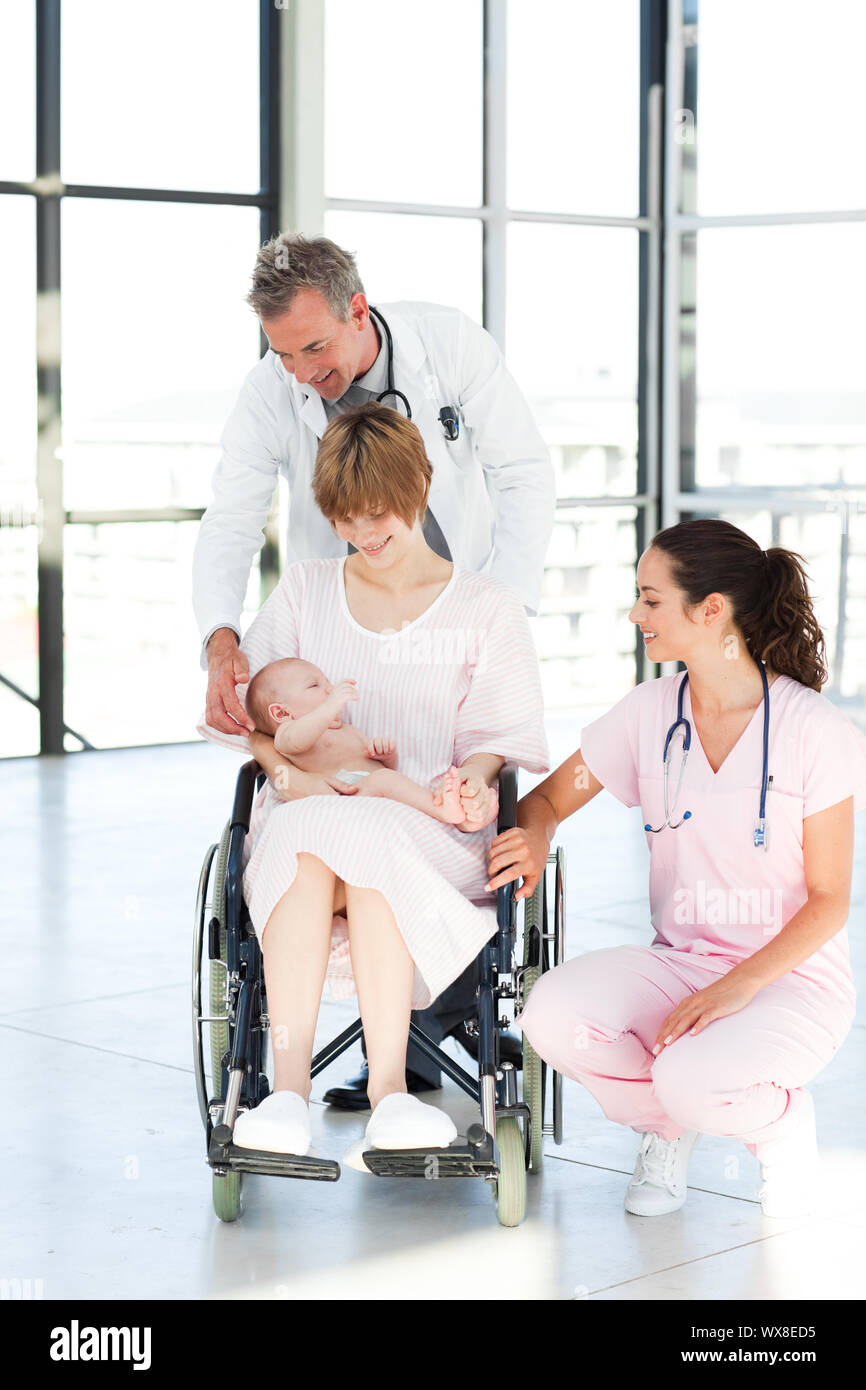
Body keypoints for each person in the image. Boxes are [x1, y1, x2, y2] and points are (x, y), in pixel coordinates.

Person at [193, 232, 554, 1101]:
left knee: (385, 815)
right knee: (329, 832)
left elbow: (524, 476)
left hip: (449, 649)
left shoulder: (447, 347)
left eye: (314, 349)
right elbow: (234, 514)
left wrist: (489, 612)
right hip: (334, 699)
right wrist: (222, 635)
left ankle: (401, 1070)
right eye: (283, 355)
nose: (301, 373)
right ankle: (322, 1088)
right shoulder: (309, 564)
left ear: (358, 311)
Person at [487, 518, 866, 1219]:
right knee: (553, 1016)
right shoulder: (649, 713)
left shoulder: (815, 729)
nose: (636, 615)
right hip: (683, 962)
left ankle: (779, 1125)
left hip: (790, 980)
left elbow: (829, 900)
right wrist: (535, 833)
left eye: (650, 599)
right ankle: (667, 1128)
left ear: (711, 609)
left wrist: (735, 989)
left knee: (688, 1074)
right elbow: (546, 800)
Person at [245, 656, 499, 829]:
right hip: (341, 798)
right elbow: (295, 742)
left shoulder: (347, 731)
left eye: (328, 684)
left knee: (388, 780)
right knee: (385, 781)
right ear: (281, 713)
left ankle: (459, 807)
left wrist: (385, 755)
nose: (329, 689)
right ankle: (444, 810)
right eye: (314, 685)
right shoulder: (289, 733)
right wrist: (332, 704)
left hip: (371, 796)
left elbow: (385, 769)